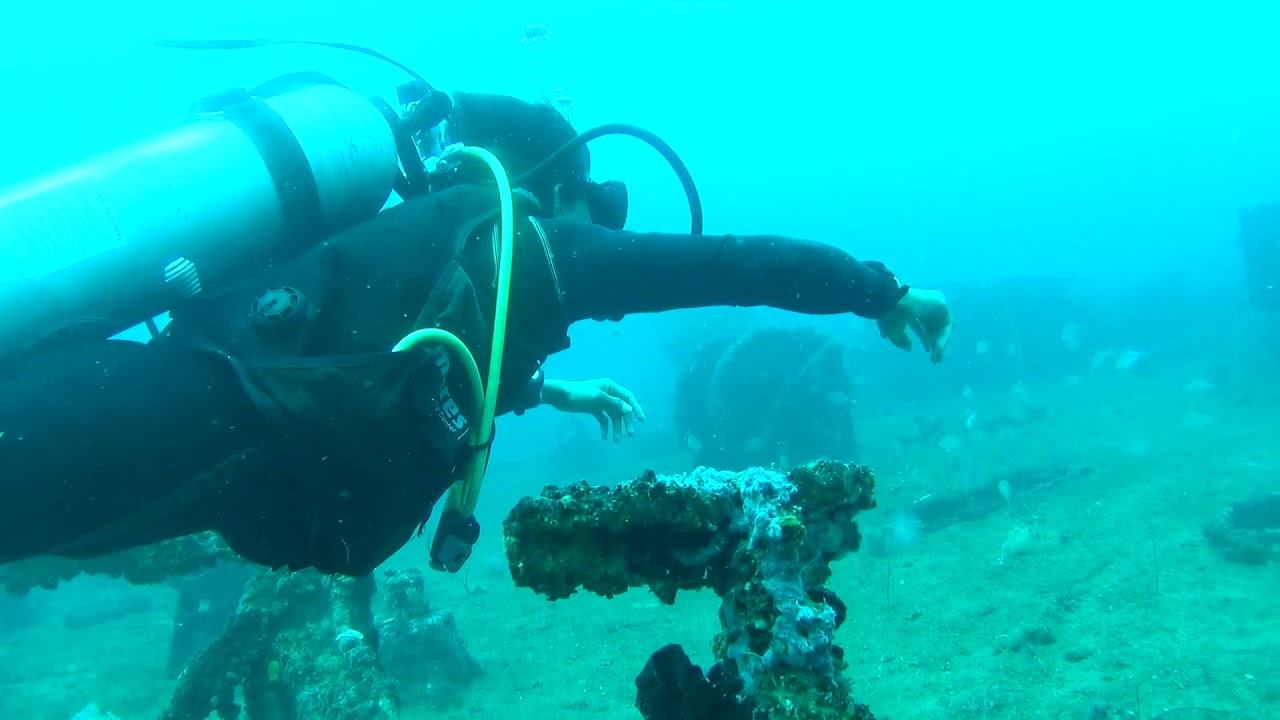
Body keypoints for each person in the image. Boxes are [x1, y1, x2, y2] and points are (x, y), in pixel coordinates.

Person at [0, 91, 953, 579]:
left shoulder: (430, 248)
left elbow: (421, 348)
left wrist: (547, 390)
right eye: (590, 203)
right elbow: (730, 265)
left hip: (175, 409)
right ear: (549, 180)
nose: (597, 227)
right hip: (197, 423)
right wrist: (881, 292)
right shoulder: (528, 242)